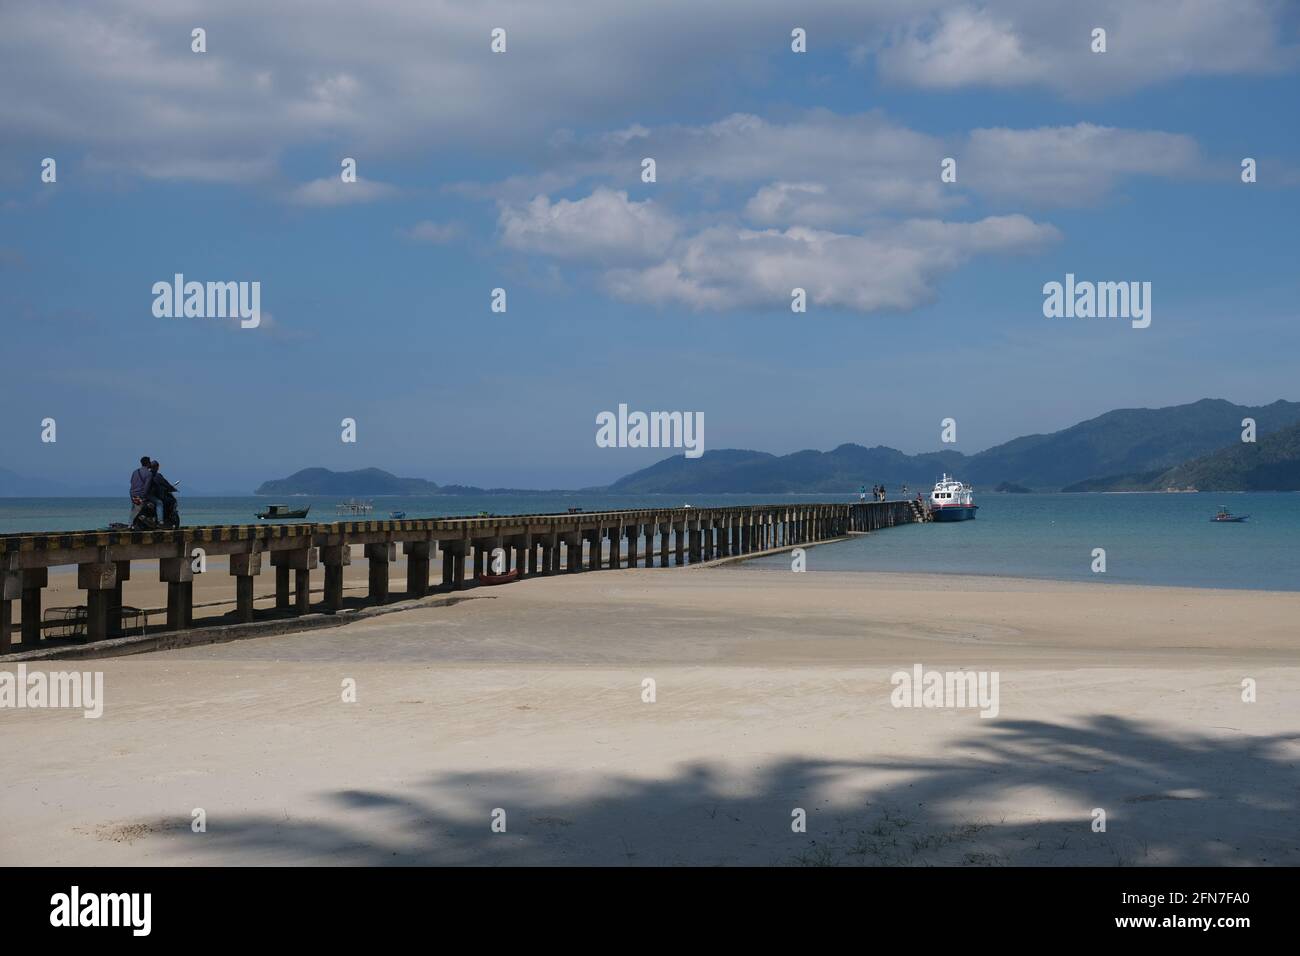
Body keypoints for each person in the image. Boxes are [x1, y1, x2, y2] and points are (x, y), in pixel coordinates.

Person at [129, 455, 157, 525]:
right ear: (148, 463)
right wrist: (145, 497)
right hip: (141, 495)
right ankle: (158, 521)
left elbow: (131, 482)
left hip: (132, 494)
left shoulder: (135, 471)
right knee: (157, 503)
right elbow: (146, 488)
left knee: (134, 509)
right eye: (149, 462)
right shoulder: (149, 474)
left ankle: (131, 524)